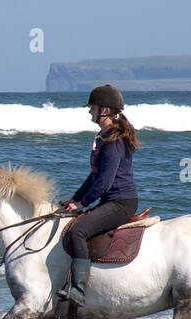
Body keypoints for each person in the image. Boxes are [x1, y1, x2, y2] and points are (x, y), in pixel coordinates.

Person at [58, 85, 142, 306]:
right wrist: (75, 199)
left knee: (78, 231)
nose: (89, 111)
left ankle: (78, 290)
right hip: (111, 200)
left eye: (92, 107)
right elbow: (94, 175)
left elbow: (104, 182)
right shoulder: (105, 136)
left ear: (105, 110)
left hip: (121, 203)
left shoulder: (113, 141)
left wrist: (84, 203)